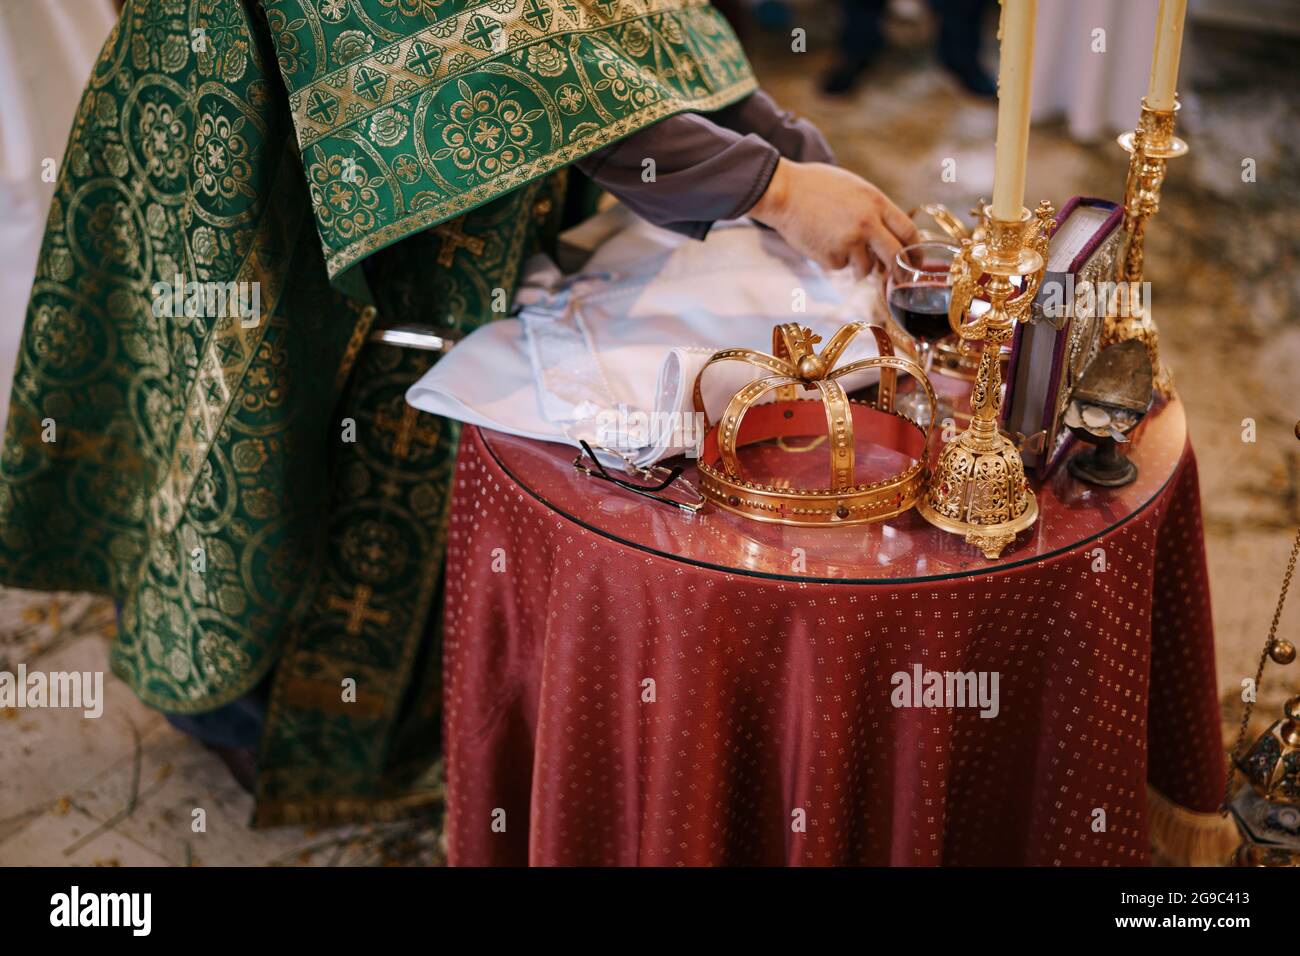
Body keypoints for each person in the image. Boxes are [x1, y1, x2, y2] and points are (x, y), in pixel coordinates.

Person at [0, 0, 914, 826]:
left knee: (388, 408)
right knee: (260, 425)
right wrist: (773, 189)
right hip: (265, 116)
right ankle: (236, 702)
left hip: (397, 126)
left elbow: (620, 19)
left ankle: (368, 690)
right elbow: (484, 49)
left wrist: (777, 146)